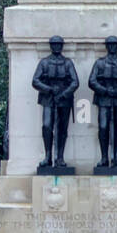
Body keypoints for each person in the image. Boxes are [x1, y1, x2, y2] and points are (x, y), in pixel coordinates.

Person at [88, 36, 117, 168]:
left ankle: (116, 158)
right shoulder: (100, 63)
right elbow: (92, 81)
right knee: (103, 128)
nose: (112, 47)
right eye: (110, 44)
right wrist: (104, 90)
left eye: (115, 44)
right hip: (104, 100)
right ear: (106, 46)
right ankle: (104, 158)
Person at [32, 36, 78, 168]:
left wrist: (64, 94)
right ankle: (48, 157)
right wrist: (49, 89)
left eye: (59, 44)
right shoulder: (44, 62)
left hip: (64, 100)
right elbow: (35, 81)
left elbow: (75, 82)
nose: (57, 47)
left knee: (62, 129)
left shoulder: (68, 63)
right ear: (51, 46)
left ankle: (60, 157)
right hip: (48, 99)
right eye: (54, 44)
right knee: (47, 126)